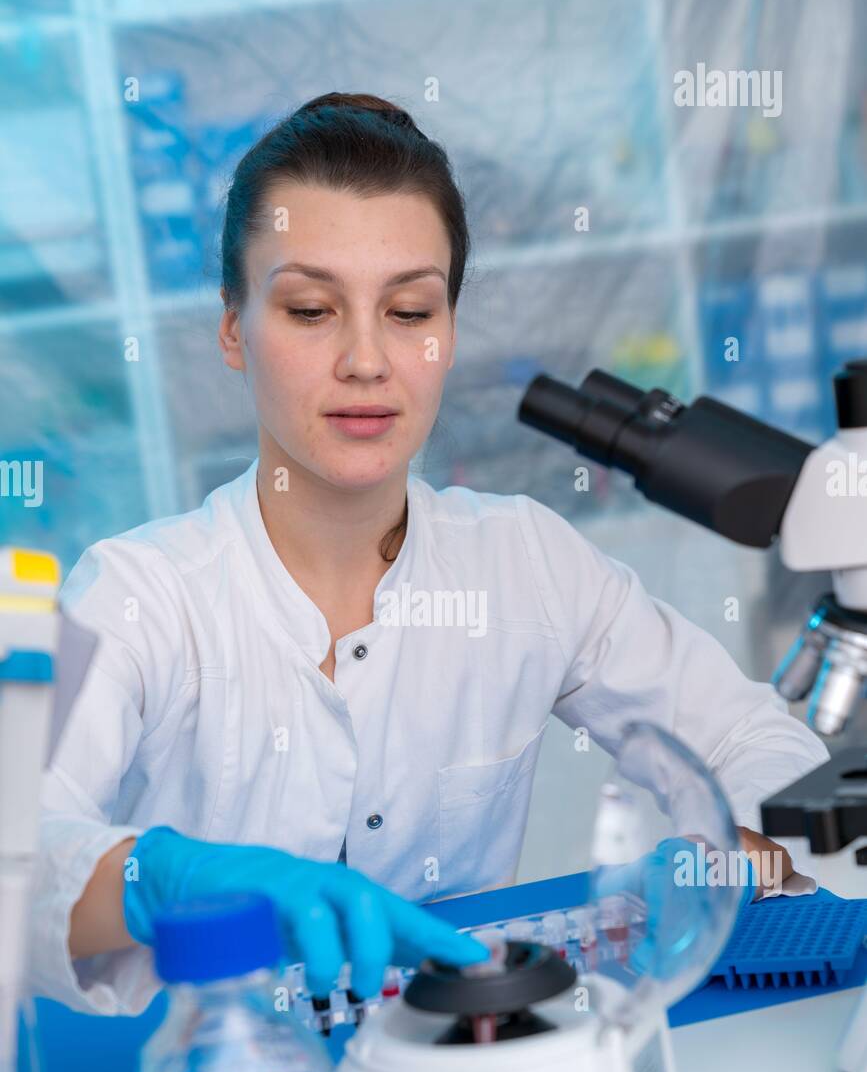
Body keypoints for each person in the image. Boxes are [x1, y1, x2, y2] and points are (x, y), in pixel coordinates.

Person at [34, 92, 829, 1017]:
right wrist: (159, 877)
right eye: (309, 309)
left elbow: (750, 739)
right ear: (231, 330)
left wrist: (742, 835)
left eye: (408, 310)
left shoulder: (523, 562)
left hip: (469, 1062)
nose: (367, 360)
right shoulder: (136, 596)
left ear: (447, 332)